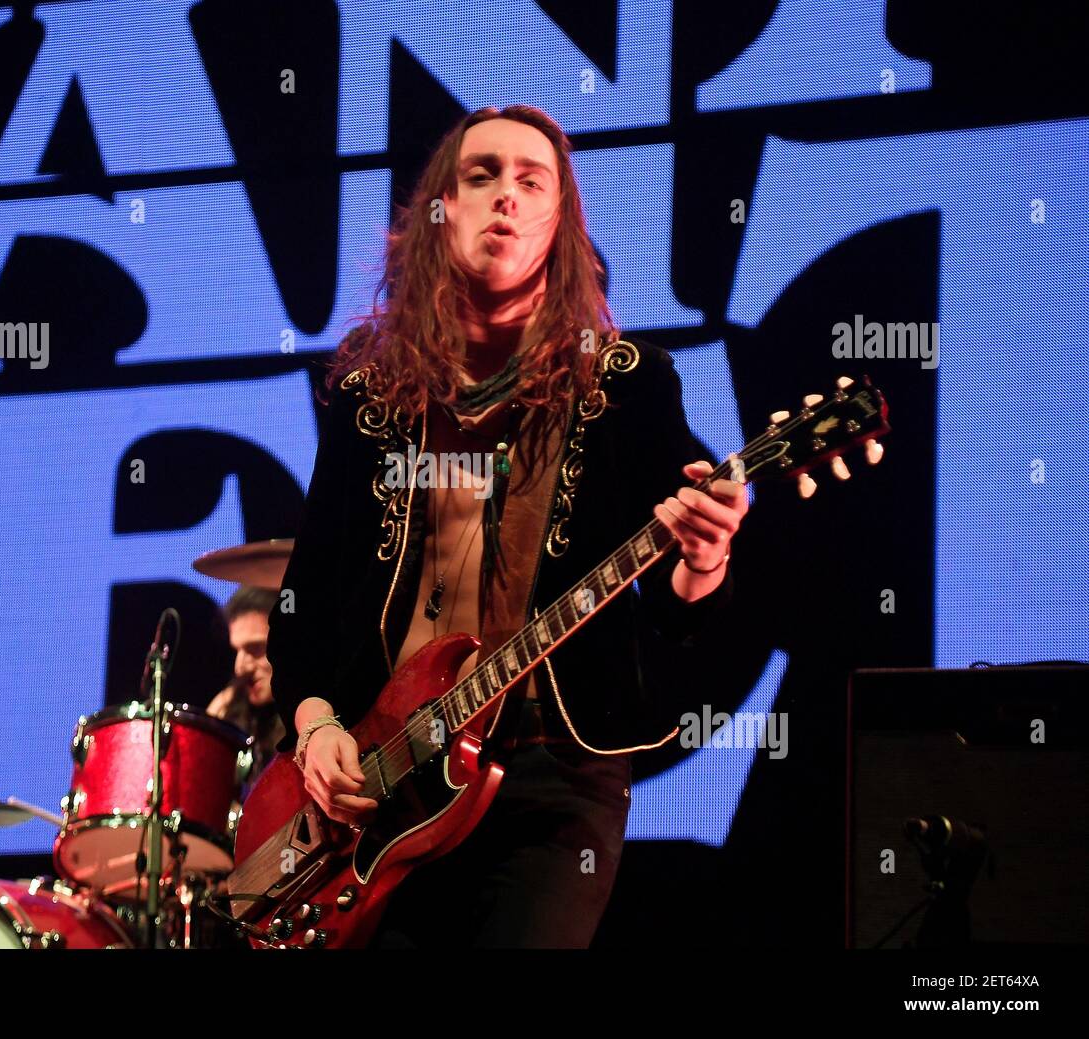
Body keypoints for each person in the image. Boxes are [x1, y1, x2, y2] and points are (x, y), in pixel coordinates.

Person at [266, 105, 748, 948]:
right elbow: (307, 602)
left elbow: (680, 617)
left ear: (559, 221)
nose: (506, 197)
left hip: (550, 778)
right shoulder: (369, 399)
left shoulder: (626, 388)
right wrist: (314, 726)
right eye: (481, 174)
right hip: (384, 784)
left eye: (533, 182)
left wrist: (703, 558)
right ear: (439, 209)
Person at [207, 585, 283, 786]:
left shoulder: (323, 708)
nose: (240, 668)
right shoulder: (230, 705)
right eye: (237, 651)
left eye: (256, 648)